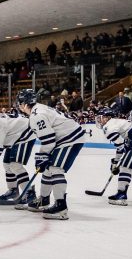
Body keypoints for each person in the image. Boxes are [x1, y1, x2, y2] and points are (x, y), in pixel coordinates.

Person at [18, 88, 84, 220]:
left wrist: (42, 155)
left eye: (19, 103)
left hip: (69, 139)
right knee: (48, 167)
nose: (19, 106)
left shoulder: (36, 116)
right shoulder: (39, 108)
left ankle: (61, 206)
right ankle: (44, 199)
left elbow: (48, 141)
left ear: (25, 104)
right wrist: (42, 157)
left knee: (55, 168)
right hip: (66, 137)